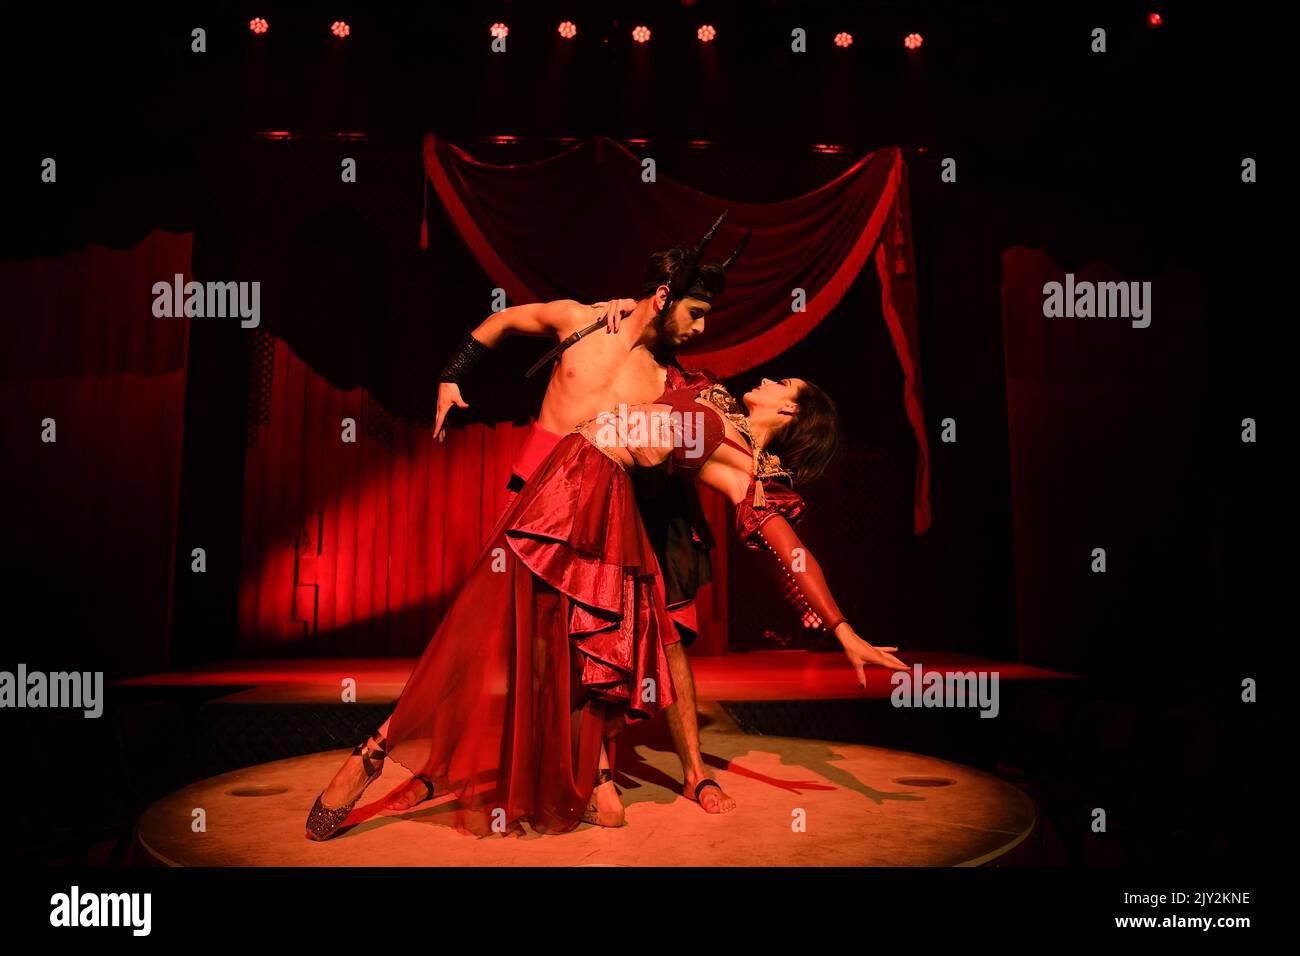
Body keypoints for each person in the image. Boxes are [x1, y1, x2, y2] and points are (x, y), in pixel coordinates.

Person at [304, 374, 906, 841]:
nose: (773, 381)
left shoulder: (747, 470)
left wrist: (842, 628)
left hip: (594, 491)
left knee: (539, 635)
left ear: (790, 410)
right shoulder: (714, 397)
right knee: (492, 617)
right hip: (572, 467)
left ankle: (381, 752)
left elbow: (792, 552)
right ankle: (401, 751)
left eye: (785, 385)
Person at [411, 213, 807, 816]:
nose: (702, 328)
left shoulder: (663, 375)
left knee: (625, 633)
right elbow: (505, 320)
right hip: (533, 494)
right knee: (517, 635)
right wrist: (450, 376)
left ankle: (648, 771)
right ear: (663, 295)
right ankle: (463, 763)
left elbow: (678, 442)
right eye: (695, 312)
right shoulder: (579, 319)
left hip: (605, 506)